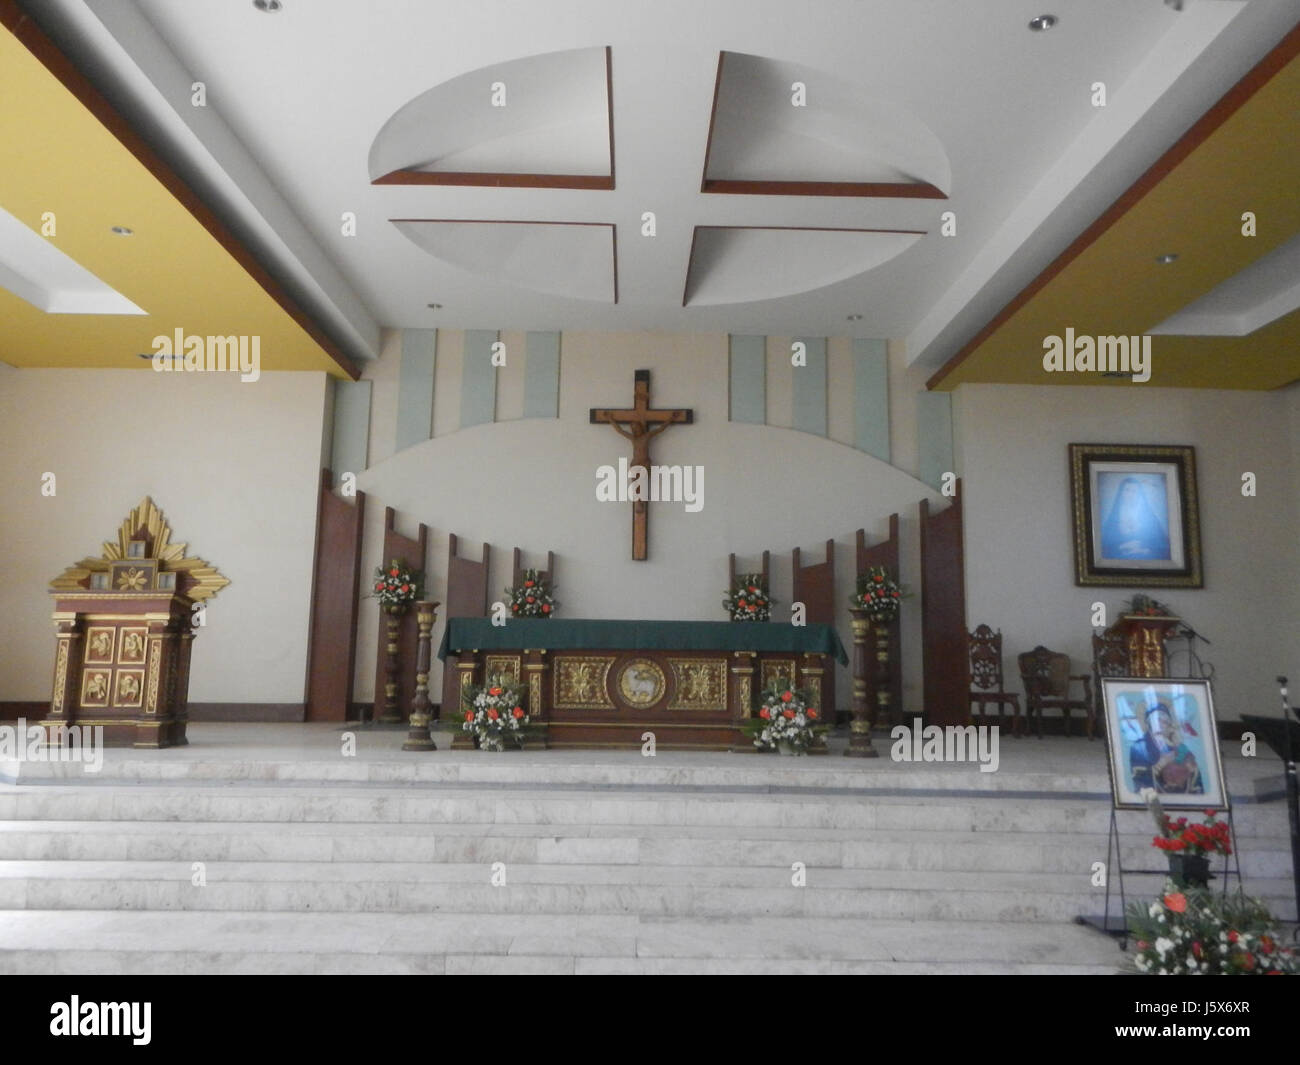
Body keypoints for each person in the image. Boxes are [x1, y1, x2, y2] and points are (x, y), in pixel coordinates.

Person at [1129, 703, 1201, 793]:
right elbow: (1136, 776)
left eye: (1165, 719)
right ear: (1148, 723)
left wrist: (1189, 765)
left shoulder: (1176, 744)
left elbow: (1194, 772)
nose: (1162, 722)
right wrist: (1159, 765)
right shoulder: (1138, 748)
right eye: (1157, 719)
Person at [1100, 476, 1170, 561]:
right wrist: (1122, 547)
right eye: (1127, 490)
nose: (1130, 494)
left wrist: (1143, 548)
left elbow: (1162, 544)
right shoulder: (1114, 516)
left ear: (1139, 494)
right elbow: (1105, 545)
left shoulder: (1149, 517)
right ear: (1121, 493)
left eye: (1134, 491)